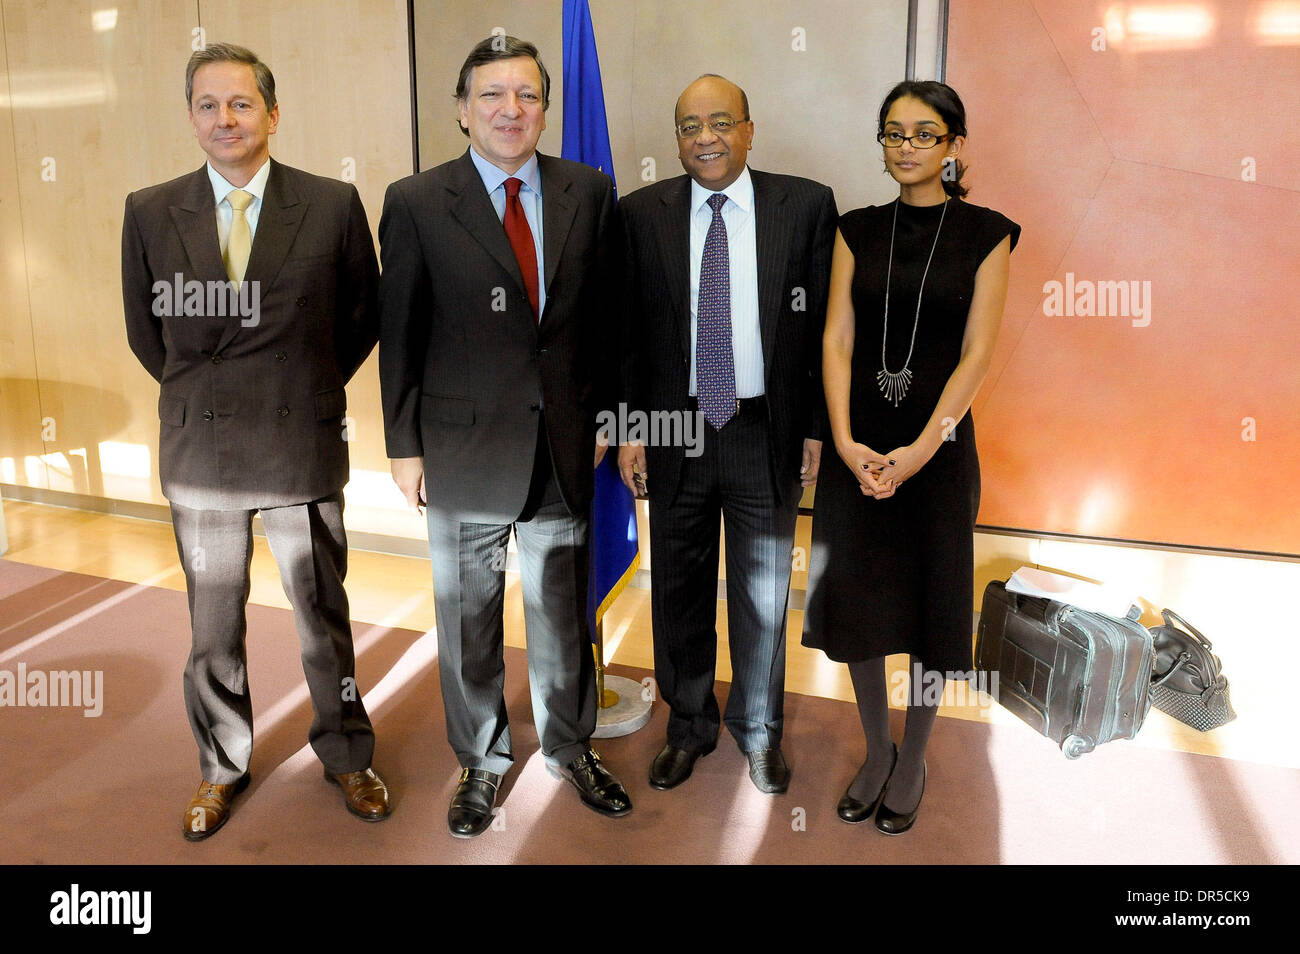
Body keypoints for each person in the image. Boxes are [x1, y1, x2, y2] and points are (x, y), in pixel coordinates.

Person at [121, 42, 390, 841]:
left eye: (241, 104)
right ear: (192, 118)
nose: (225, 119)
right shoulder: (148, 208)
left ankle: (347, 753)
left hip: (298, 444)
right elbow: (148, 335)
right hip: (201, 454)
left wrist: (302, 389)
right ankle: (219, 767)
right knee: (212, 628)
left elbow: (360, 320)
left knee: (322, 617)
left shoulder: (332, 202)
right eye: (208, 105)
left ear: (273, 114)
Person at [378, 36, 631, 839]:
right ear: (462, 109)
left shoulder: (588, 191)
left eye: (525, 95)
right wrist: (402, 445)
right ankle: (481, 763)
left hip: (563, 444)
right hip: (458, 451)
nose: (509, 110)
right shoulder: (417, 200)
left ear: (546, 109)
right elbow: (400, 331)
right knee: (468, 618)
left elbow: (608, 322)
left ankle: (570, 745)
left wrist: (610, 416)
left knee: (563, 614)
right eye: (491, 95)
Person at [802, 80, 1019, 834]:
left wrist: (921, 450)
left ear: (955, 146)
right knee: (858, 603)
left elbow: (977, 355)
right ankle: (874, 747)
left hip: (938, 453)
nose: (905, 147)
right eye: (892, 133)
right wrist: (844, 439)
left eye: (924, 134)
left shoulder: (989, 233)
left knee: (931, 608)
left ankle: (916, 754)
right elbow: (835, 338)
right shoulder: (856, 228)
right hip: (856, 449)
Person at [618, 75, 837, 794]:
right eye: (688, 125)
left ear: (749, 128)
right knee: (677, 587)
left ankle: (759, 729)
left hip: (761, 429)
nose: (704, 137)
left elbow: (818, 335)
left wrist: (812, 429)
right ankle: (688, 725)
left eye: (719, 122)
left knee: (761, 592)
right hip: (674, 426)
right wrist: (630, 429)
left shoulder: (803, 207)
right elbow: (626, 338)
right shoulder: (639, 214)